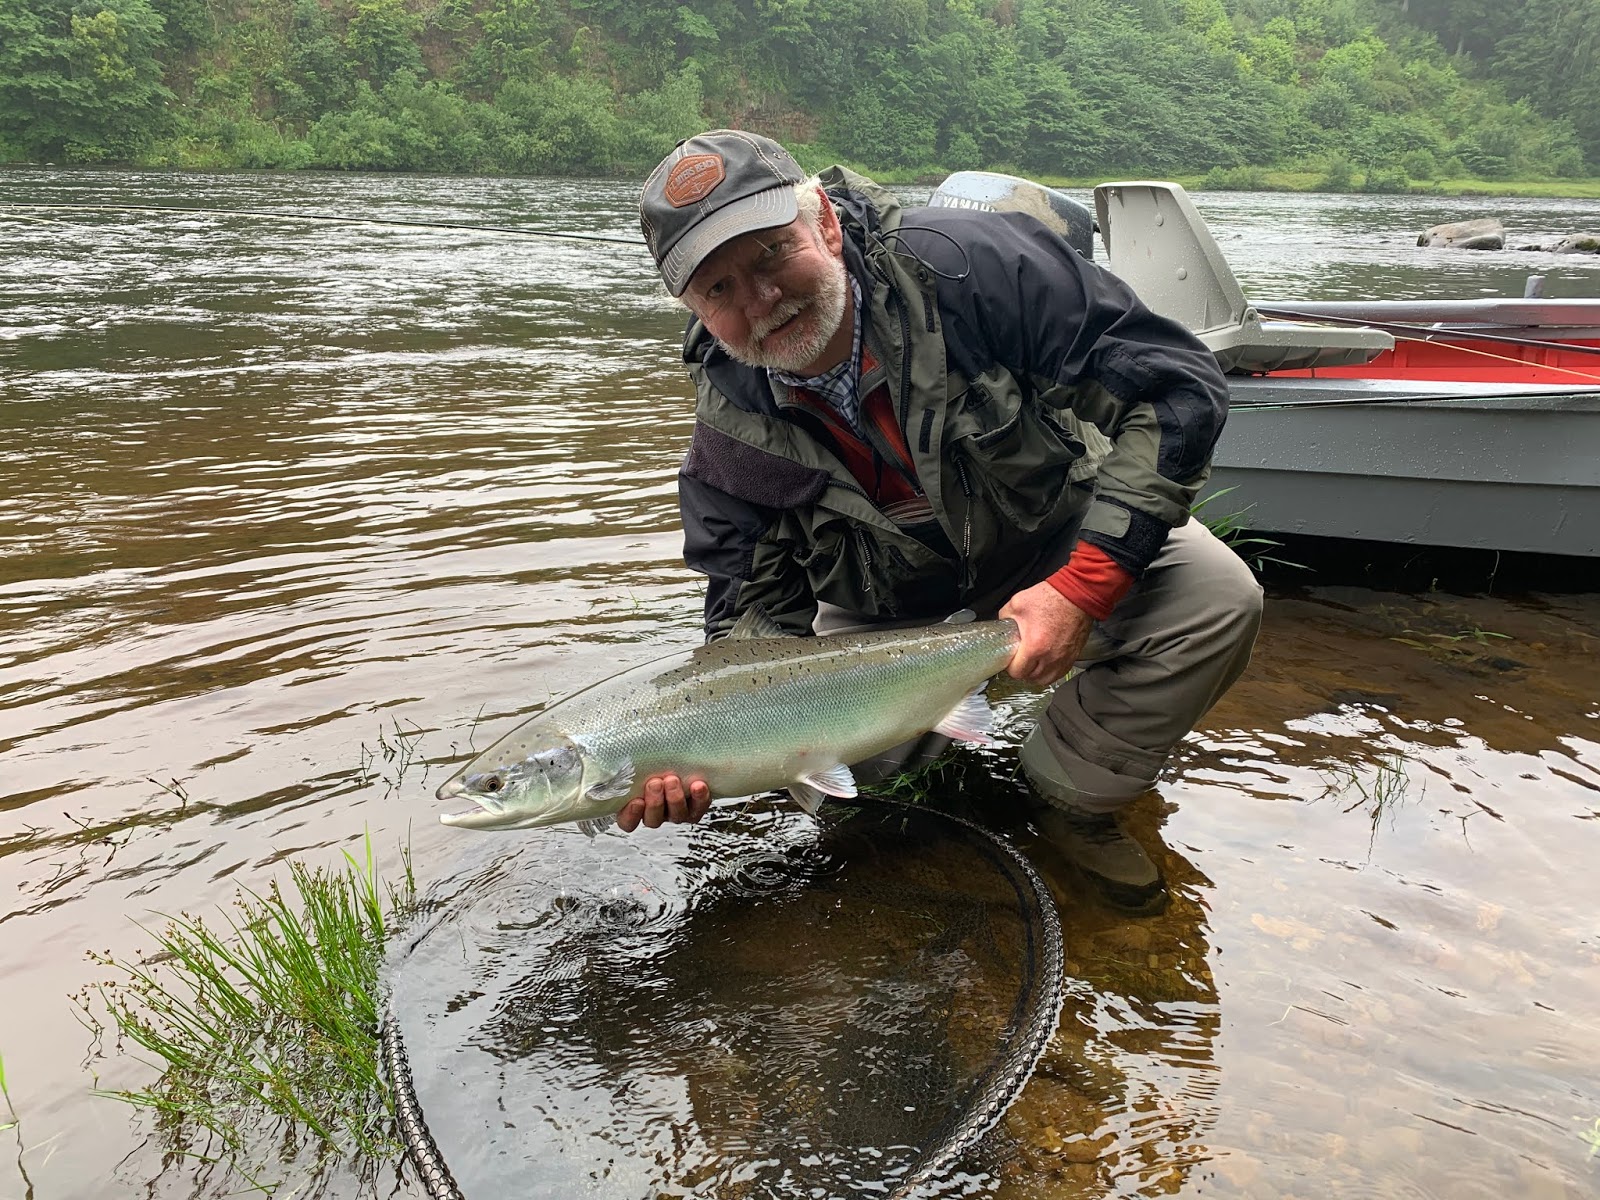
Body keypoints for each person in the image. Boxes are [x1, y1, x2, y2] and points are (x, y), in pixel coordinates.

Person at [616, 128, 1262, 915]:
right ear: (690, 306)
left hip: (1055, 543)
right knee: (837, 802)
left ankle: (1068, 799)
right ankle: (916, 812)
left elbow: (1177, 388)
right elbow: (749, 627)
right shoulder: (729, 429)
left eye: (769, 256)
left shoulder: (968, 269)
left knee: (1214, 598)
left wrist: (1085, 586)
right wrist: (698, 753)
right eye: (719, 290)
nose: (760, 301)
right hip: (888, 615)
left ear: (822, 220)